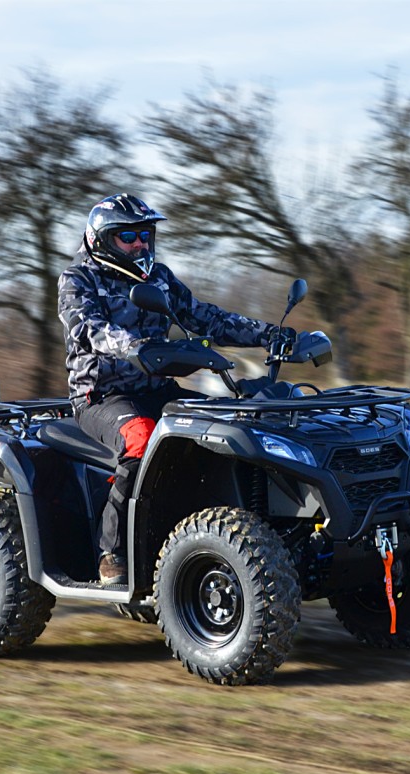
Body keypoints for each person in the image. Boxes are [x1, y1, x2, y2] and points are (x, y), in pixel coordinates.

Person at [57, 193, 294, 584]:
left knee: (226, 424)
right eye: (128, 236)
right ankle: (111, 551)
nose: (140, 244)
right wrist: (134, 346)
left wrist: (271, 336)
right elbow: (89, 329)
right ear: (101, 240)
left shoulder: (159, 278)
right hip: (101, 397)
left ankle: (222, 532)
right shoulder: (78, 280)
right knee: (139, 440)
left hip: (157, 390)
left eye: (144, 235)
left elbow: (207, 318)